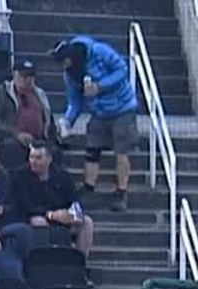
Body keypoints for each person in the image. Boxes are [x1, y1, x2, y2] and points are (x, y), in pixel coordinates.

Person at [52, 35, 139, 211]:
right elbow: (75, 101)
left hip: (123, 107)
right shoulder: (70, 76)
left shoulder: (100, 51)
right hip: (99, 112)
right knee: (92, 148)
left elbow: (122, 70)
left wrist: (100, 86)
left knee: (121, 150)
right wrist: (67, 121)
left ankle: (122, 191)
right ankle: (89, 186)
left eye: (65, 61)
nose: (63, 66)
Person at [0, 59, 61, 153]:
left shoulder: (40, 94)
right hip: (10, 140)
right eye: (23, 76)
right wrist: (16, 134)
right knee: (12, 148)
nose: (28, 80)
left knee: (55, 151)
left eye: (31, 76)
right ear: (14, 75)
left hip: (39, 141)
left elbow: (49, 120)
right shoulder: (1, 92)